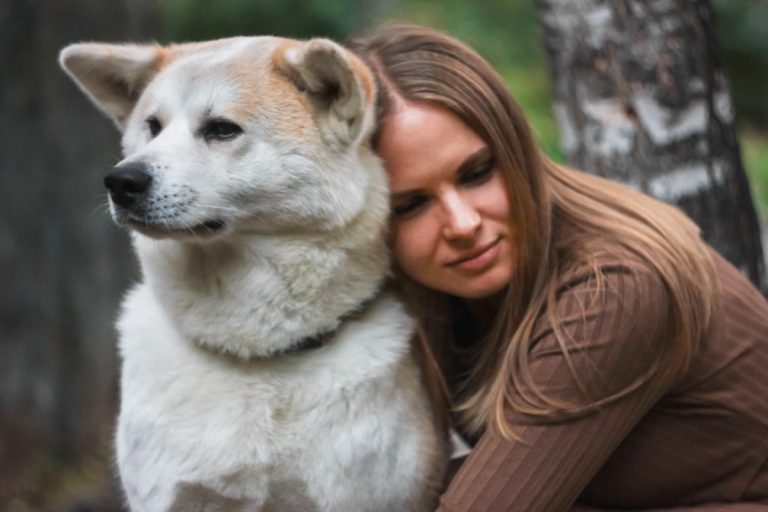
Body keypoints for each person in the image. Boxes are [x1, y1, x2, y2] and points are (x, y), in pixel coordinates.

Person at [346, 25, 768, 511]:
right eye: (410, 206)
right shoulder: (433, 295)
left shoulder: (614, 287)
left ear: (517, 151)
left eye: (478, 173)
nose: (463, 224)